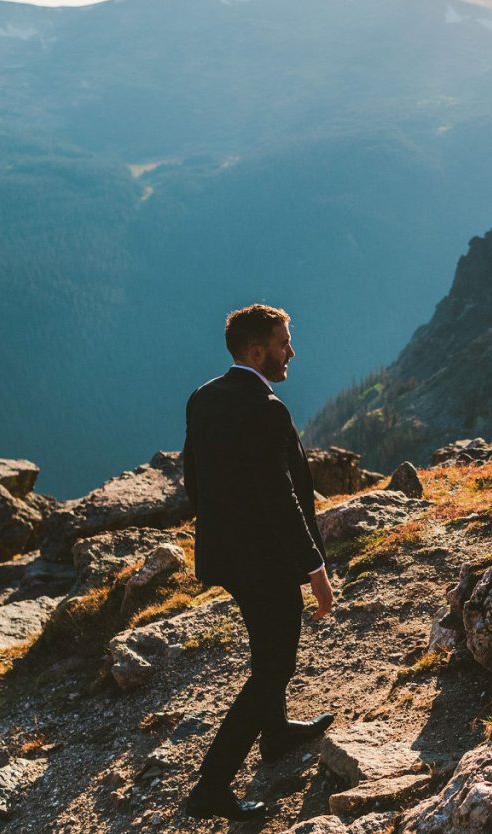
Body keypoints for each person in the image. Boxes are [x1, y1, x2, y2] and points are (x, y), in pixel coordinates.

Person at [180, 304, 336, 822]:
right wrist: (314, 568)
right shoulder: (267, 408)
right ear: (255, 352)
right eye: (283, 343)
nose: (291, 351)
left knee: (265, 647)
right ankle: (210, 787)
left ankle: (276, 734)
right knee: (274, 667)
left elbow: (194, 479)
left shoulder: (204, 396)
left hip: (227, 557)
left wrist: (221, 534)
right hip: (266, 561)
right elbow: (280, 497)